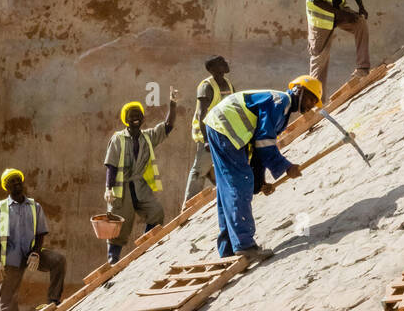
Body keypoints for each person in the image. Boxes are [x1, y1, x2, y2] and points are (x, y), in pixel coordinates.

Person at [204, 77, 322, 261]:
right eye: (311, 99)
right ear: (299, 90)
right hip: (226, 128)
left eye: (314, 102)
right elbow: (265, 143)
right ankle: (244, 246)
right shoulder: (281, 102)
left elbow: (259, 152)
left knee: (227, 188)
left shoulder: (281, 109)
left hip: (219, 126)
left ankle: (228, 248)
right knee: (239, 185)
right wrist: (286, 167)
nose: (310, 106)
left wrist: (259, 184)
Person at [0, 168, 66, 311]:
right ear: (6, 187)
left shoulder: (34, 206)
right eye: (11, 182)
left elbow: (40, 234)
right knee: (7, 300)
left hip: (31, 254)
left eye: (18, 181)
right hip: (11, 259)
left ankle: (53, 301)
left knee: (58, 260)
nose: (16, 184)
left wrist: (36, 254)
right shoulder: (0, 208)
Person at [103, 94, 177, 264]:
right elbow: (111, 166)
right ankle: (112, 259)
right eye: (132, 116)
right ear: (126, 120)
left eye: (138, 115)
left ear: (143, 118)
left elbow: (167, 126)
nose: (135, 118)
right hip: (121, 188)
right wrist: (108, 189)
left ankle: (145, 245)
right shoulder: (118, 139)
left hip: (140, 187)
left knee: (156, 212)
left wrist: (172, 104)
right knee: (119, 225)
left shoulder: (147, 137)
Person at [182, 55, 234, 207]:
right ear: (212, 69)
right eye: (221, 63)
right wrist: (206, 139)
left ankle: (226, 196)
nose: (226, 63)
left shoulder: (228, 84)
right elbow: (201, 113)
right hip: (208, 134)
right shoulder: (207, 86)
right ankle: (188, 206)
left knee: (219, 167)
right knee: (199, 170)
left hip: (222, 134)